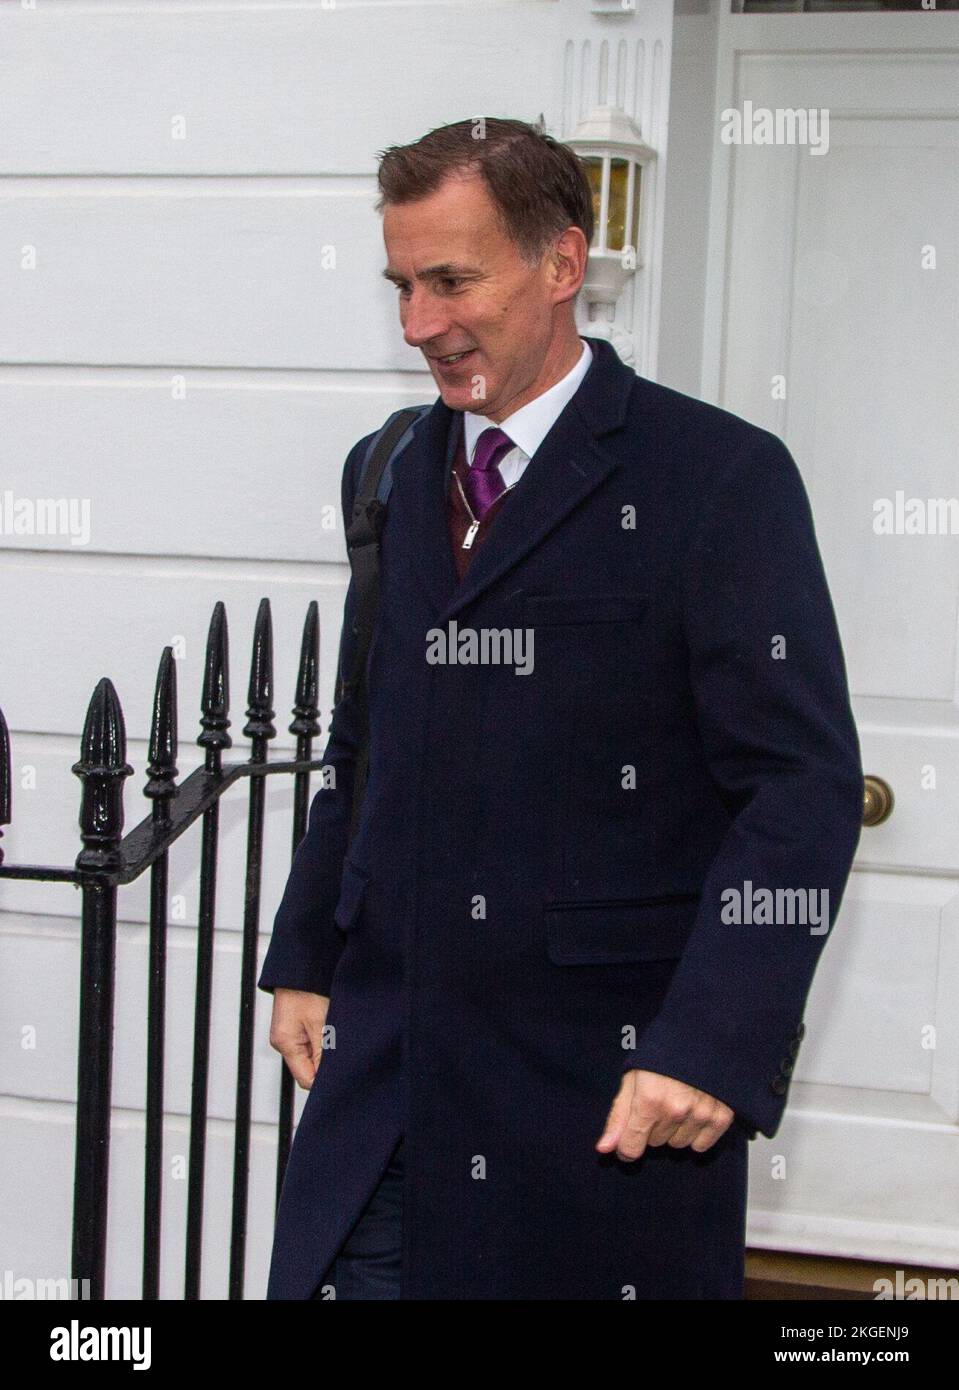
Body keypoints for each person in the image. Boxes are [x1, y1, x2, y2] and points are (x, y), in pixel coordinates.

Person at [257, 117, 863, 1300]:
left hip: (599, 1115)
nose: (417, 324)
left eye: (450, 281)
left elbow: (797, 787)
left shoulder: (717, 480)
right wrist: (307, 955)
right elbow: (361, 746)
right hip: (384, 1096)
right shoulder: (385, 469)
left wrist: (709, 1044)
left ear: (562, 264)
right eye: (399, 285)